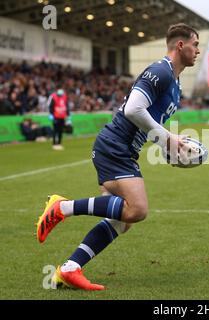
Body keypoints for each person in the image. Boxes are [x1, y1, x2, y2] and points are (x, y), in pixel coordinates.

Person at [36, 23, 200, 291]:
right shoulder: (161, 71)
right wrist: (166, 137)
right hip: (115, 146)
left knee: (122, 222)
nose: (198, 51)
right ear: (180, 45)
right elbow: (133, 109)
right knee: (137, 210)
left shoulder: (175, 82)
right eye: (195, 44)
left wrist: (165, 145)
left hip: (123, 149)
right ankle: (61, 207)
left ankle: (69, 269)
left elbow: (147, 119)